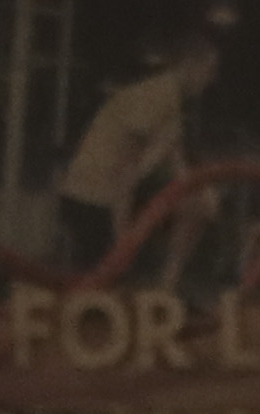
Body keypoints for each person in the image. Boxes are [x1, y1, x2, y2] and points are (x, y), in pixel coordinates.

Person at [55, 29, 222, 282]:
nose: (211, 79)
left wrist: (204, 199)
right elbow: (125, 168)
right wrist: (123, 237)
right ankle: (151, 281)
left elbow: (179, 171)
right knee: (103, 289)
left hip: (113, 196)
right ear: (191, 65)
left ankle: (166, 286)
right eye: (209, 69)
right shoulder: (156, 96)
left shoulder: (172, 104)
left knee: (201, 202)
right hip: (93, 199)